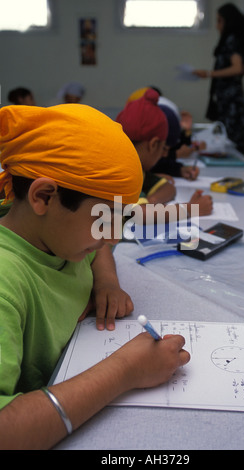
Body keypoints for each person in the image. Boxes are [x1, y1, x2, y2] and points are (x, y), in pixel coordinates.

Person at [0, 103, 190, 449]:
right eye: (106, 218)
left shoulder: (61, 235)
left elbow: (100, 247)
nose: (114, 237)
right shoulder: (5, 283)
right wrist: (124, 372)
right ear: (43, 196)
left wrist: (106, 280)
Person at [116, 88, 213, 220]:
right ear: (154, 144)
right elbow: (140, 215)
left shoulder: (136, 168)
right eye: (163, 148)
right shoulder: (121, 170)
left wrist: (150, 202)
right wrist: (191, 209)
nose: (165, 155)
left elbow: (168, 187)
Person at [194, 3, 244, 155]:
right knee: (226, 139)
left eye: (219, 21)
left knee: (231, 142)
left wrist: (208, 74)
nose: (217, 26)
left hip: (231, 103)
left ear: (228, 22)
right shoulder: (231, 41)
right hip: (226, 101)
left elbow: (238, 68)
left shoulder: (232, 40)